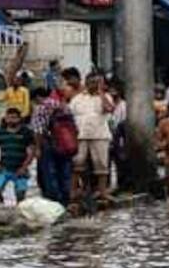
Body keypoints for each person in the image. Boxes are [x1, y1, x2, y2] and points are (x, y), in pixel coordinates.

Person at [31, 68, 81, 207]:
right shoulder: (65, 107)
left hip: (49, 144)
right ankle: (65, 202)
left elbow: (38, 130)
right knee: (65, 173)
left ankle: (54, 203)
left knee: (50, 174)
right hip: (66, 145)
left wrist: (38, 148)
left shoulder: (42, 107)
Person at [68, 70, 115, 206]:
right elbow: (70, 115)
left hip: (100, 134)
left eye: (96, 82)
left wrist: (101, 93)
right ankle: (74, 190)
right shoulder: (78, 98)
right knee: (78, 163)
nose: (93, 84)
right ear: (86, 82)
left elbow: (109, 109)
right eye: (91, 82)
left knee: (101, 165)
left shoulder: (106, 97)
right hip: (80, 135)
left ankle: (102, 191)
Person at [0, 107, 36, 205]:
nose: (11, 120)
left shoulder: (26, 132)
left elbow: (32, 152)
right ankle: (1, 208)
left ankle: (18, 211)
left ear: (20, 119)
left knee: (20, 195)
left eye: (14, 118)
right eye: (9, 117)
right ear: (5, 118)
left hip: (20, 168)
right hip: (4, 167)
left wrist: (24, 167)